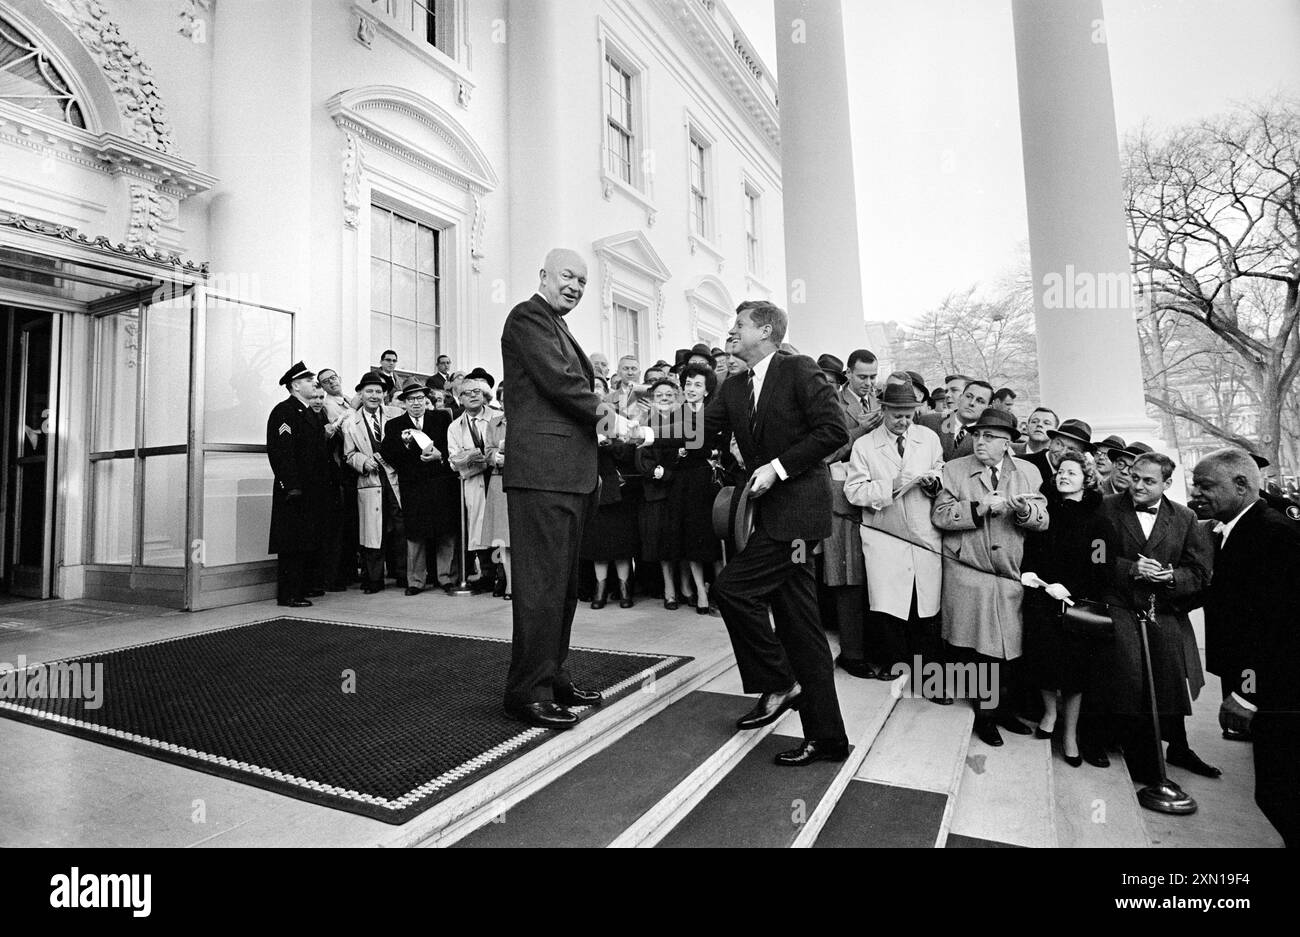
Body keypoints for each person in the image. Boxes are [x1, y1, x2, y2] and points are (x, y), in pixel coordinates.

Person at [655, 300, 850, 766]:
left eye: (739, 324)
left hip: (799, 520)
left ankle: (780, 681)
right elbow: (700, 431)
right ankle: (828, 740)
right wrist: (630, 427)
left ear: (764, 330)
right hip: (770, 518)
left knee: (732, 589)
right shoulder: (735, 385)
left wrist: (778, 468)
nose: (732, 330)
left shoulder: (798, 369)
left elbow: (833, 431)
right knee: (803, 630)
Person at [499, 248, 647, 730]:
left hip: (568, 476)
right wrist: (616, 420)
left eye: (583, 281)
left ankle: (553, 675)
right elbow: (562, 385)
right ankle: (526, 692)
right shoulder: (527, 318)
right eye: (568, 276)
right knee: (541, 586)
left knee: (562, 588)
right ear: (542, 275)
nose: (576, 287)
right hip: (543, 477)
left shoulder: (556, 325)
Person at [1190, 448, 1300, 846]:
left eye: (1206, 486)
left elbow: (1281, 627)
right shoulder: (1238, 529)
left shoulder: (1274, 534)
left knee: (1281, 795)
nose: (1196, 493)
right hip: (1269, 687)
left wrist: (1247, 695)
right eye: (1195, 484)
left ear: (1241, 485)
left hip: (1279, 692)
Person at [1097, 451, 1216, 784]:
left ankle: (1178, 747)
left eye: (1149, 481)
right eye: (1135, 478)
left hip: (1162, 607)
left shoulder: (1184, 517)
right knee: (1132, 677)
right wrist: (1130, 568)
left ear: (1167, 483)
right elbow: (1093, 558)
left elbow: (1200, 572)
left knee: (1170, 675)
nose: (1138, 486)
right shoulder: (1106, 507)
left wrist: (1172, 577)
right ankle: (1143, 761)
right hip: (1118, 605)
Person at [932, 407, 1048, 747]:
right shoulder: (954, 470)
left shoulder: (1027, 472)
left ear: (1008, 443)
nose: (980, 441)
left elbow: (1042, 518)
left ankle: (1003, 709)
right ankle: (985, 716)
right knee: (979, 647)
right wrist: (978, 508)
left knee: (1007, 646)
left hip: (1010, 574)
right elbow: (940, 516)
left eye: (989, 436)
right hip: (969, 570)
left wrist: (1023, 511)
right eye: (977, 434)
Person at [843, 383, 946, 690]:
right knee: (889, 606)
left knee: (925, 607)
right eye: (898, 415)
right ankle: (893, 663)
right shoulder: (864, 445)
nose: (904, 422)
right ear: (884, 410)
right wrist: (893, 483)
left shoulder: (927, 438)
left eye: (909, 415)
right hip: (884, 533)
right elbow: (854, 491)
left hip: (923, 531)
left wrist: (932, 482)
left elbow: (941, 468)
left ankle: (931, 679)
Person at [1019, 451, 1117, 767]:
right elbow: (1029, 550)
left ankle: (1070, 735)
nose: (1063, 475)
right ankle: (1049, 713)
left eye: (1071, 472)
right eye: (1060, 471)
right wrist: (1033, 576)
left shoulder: (1098, 522)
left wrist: (1071, 590)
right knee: (1044, 662)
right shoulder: (1043, 513)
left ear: (1086, 482)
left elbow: (1102, 566)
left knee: (1076, 674)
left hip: (1076, 607)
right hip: (1041, 600)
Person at [380, 381, 456, 596]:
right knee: (414, 534)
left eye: (420, 398)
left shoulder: (441, 419)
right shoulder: (395, 425)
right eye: (411, 399)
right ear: (404, 403)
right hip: (412, 485)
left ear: (426, 400)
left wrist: (440, 456)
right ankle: (415, 580)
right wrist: (408, 455)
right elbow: (388, 454)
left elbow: (453, 447)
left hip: (441, 483)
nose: (416, 403)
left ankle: (446, 578)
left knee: (445, 532)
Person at [266, 361, 332, 608]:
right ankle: (289, 594)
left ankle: (302, 587)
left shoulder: (309, 412)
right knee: (292, 542)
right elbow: (281, 452)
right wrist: (290, 485)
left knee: (306, 540)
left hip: (312, 489)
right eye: (307, 381)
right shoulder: (285, 411)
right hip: (295, 490)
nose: (312, 384)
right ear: (295, 385)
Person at [581, 374, 642, 610]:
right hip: (594, 491)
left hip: (619, 492)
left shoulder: (621, 421)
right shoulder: (583, 424)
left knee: (621, 545)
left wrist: (612, 441)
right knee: (598, 546)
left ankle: (625, 590)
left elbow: (629, 454)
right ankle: (600, 590)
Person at [665, 363, 722, 613]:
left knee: (712, 538)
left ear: (707, 390)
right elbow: (664, 452)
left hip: (708, 482)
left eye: (697, 384)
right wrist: (676, 454)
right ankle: (700, 592)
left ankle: (720, 591)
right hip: (683, 483)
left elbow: (720, 445)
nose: (691, 388)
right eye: (688, 383)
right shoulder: (675, 415)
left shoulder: (714, 414)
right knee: (690, 539)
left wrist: (708, 451)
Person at [342, 371, 404, 594]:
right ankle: (374, 579)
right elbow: (348, 454)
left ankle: (402, 575)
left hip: (395, 479)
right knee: (372, 532)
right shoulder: (351, 422)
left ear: (385, 394)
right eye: (369, 391)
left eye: (379, 391)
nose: (374, 395)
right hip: (370, 481)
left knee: (399, 528)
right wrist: (363, 461)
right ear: (360, 393)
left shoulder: (396, 414)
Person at [448, 372, 504, 595]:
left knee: (501, 528)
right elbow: (454, 460)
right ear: (459, 399)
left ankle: (504, 576)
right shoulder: (455, 427)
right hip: (474, 481)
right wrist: (473, 459)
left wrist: (478, 456)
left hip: (499, 477)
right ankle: (488, 575)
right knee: (480, 530)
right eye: (466, 393)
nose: (472, 396)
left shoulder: (497, 417)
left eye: (476, 392)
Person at [636, 379, 683, 608]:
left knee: (684, 542)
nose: (664, 398)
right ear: (653, 400)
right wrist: (665, 474)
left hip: (682, 492)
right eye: (659, 395)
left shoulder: (685, 422)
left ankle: (686, 588)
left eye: (669, 394)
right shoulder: (646, 423)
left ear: (677, 397)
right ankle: (669, 589)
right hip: (657, 492)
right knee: (663, 545)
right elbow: (641, 460)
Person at [1022, 418, 1093, 497]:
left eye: (1071, 449)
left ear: (1082, 454)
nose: (1062, 453)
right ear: (1051, 442)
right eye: (1059, 444)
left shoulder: (1085, 479)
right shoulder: (1023, 463)